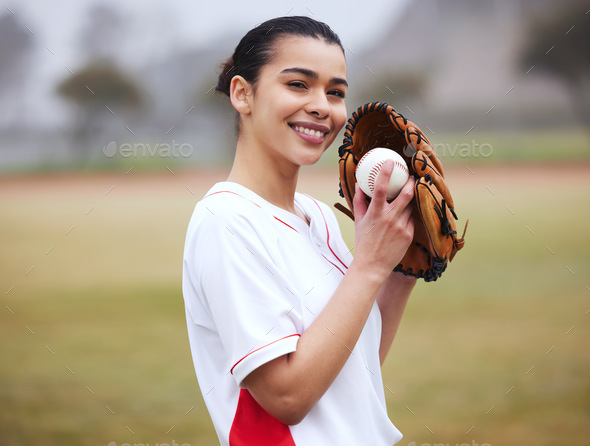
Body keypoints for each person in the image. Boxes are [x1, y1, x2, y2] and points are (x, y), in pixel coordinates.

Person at [182, 15, 417, 446]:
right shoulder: (227, 222)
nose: (322, 106)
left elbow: (351, 367)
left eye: (336, 92)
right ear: (242, 93)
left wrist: (398, 271)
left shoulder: (318, 216)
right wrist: (367, 266)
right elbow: (287, 396)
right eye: (297, 84)